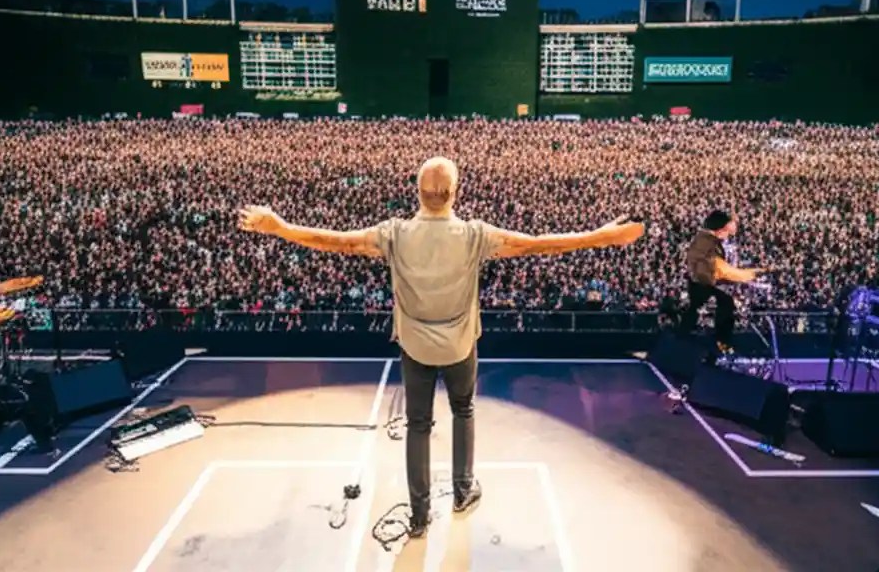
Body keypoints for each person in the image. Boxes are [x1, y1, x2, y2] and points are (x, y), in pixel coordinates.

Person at [238, 156, 644, 537]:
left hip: (414, 346)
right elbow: (538, 244)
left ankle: (418, 514)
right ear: (456, 192)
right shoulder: (474, 235)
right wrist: (602, 237)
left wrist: (282, 227)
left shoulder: (394, 233)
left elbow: (338, 242)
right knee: (463, 411)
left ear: (417, 191)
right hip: (460, 346)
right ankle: (464, 490)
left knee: (418, 425)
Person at [676, 211, 763, 357]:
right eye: (727, 233)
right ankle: (719, 342)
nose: (727, 237)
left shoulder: (708, 240)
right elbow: (725, 270)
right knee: (720, 304)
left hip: (703, 281)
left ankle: (690, 339)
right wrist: (752, 274)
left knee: (708, 306)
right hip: (703, 282)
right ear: (719, 230)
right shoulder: (708, 244)